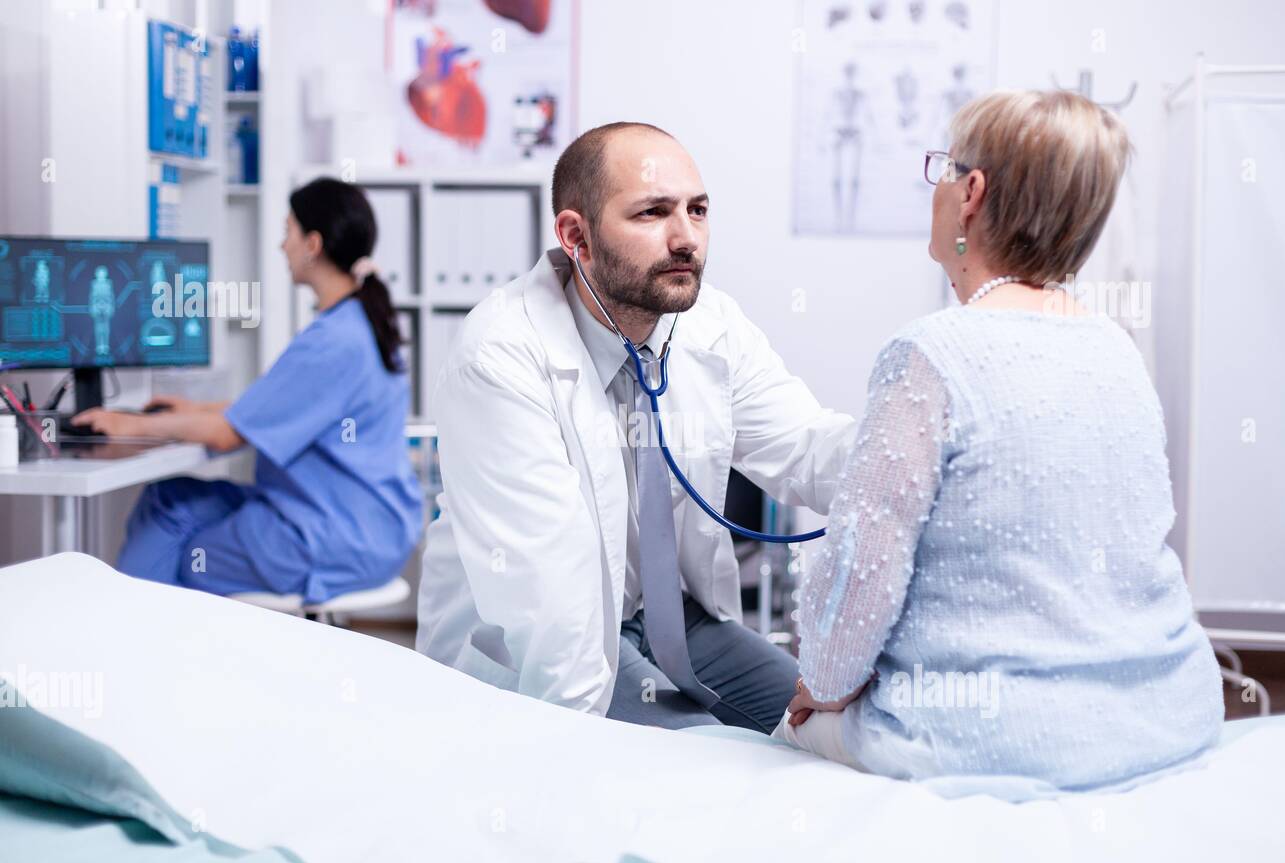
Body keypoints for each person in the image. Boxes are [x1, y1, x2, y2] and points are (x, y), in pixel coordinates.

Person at [773, 90, 1224, 790]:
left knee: (784, 733)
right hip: (1167, 712)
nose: (938, 189)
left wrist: (822, 693)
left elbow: (858, 581)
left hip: (989, 737)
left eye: (941, 171)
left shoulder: (929, 352)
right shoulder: (1115, 347)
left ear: (971, 193)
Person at [417, 122, 856, 733]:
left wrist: (910, 446)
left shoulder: (713, 326)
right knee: (711, 759)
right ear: (577, 237)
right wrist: (589, 758)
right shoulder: (500, 356)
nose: (686, 239)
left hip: (676, 622)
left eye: (697, 210)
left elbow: (806, 447)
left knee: (840, 729)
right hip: (559, 634)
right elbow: (553, 606)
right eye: (652, 213)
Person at [73, 178, 424, 603]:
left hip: (335, 536)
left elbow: (229, 434)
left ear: (312, 244)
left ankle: (129, 638)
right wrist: (195, 410)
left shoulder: (332, 341)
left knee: (187, 554)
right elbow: (276, 406)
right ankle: (134, 629)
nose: (281, 246)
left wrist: (128, 425)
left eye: (288, 232)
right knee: (170, 497)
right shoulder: (358, 322)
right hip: (371, 525)